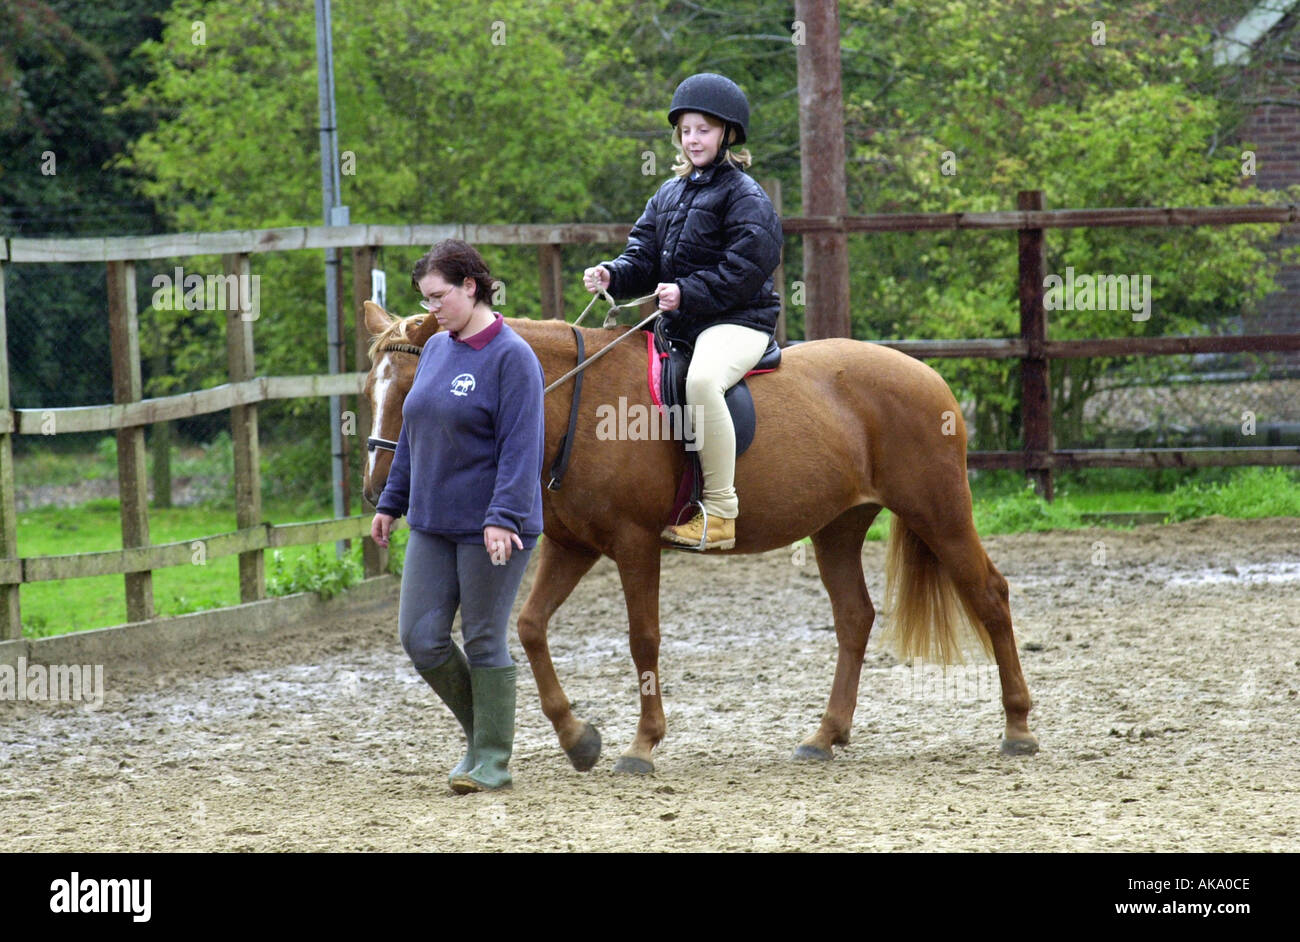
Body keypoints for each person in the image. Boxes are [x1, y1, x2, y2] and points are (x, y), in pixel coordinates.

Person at [371, 239, 544, 793]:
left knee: (485, 638)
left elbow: (522, 447)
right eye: (425, 298)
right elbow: (415, 432)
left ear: (471, 287)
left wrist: (504, 518)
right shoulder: (438, 346)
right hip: (431, 519)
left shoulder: (512, 357)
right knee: (421, 638)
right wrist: (392, 503)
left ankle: (493, 758)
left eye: (439, 296)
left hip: (491, 525)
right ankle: (482, 736)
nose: (431, 309)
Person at [584, 72, 782, 551]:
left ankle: (720, 513)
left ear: (727, 135)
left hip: (739, 322)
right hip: (683, 324)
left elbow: (746, 268)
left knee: (701, 382)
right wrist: (613, 274)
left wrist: (686, 293)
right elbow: (643, 257)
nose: (694, 139)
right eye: (687, 130)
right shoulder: (668, 195)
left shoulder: (746, 196)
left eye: (704, 130)